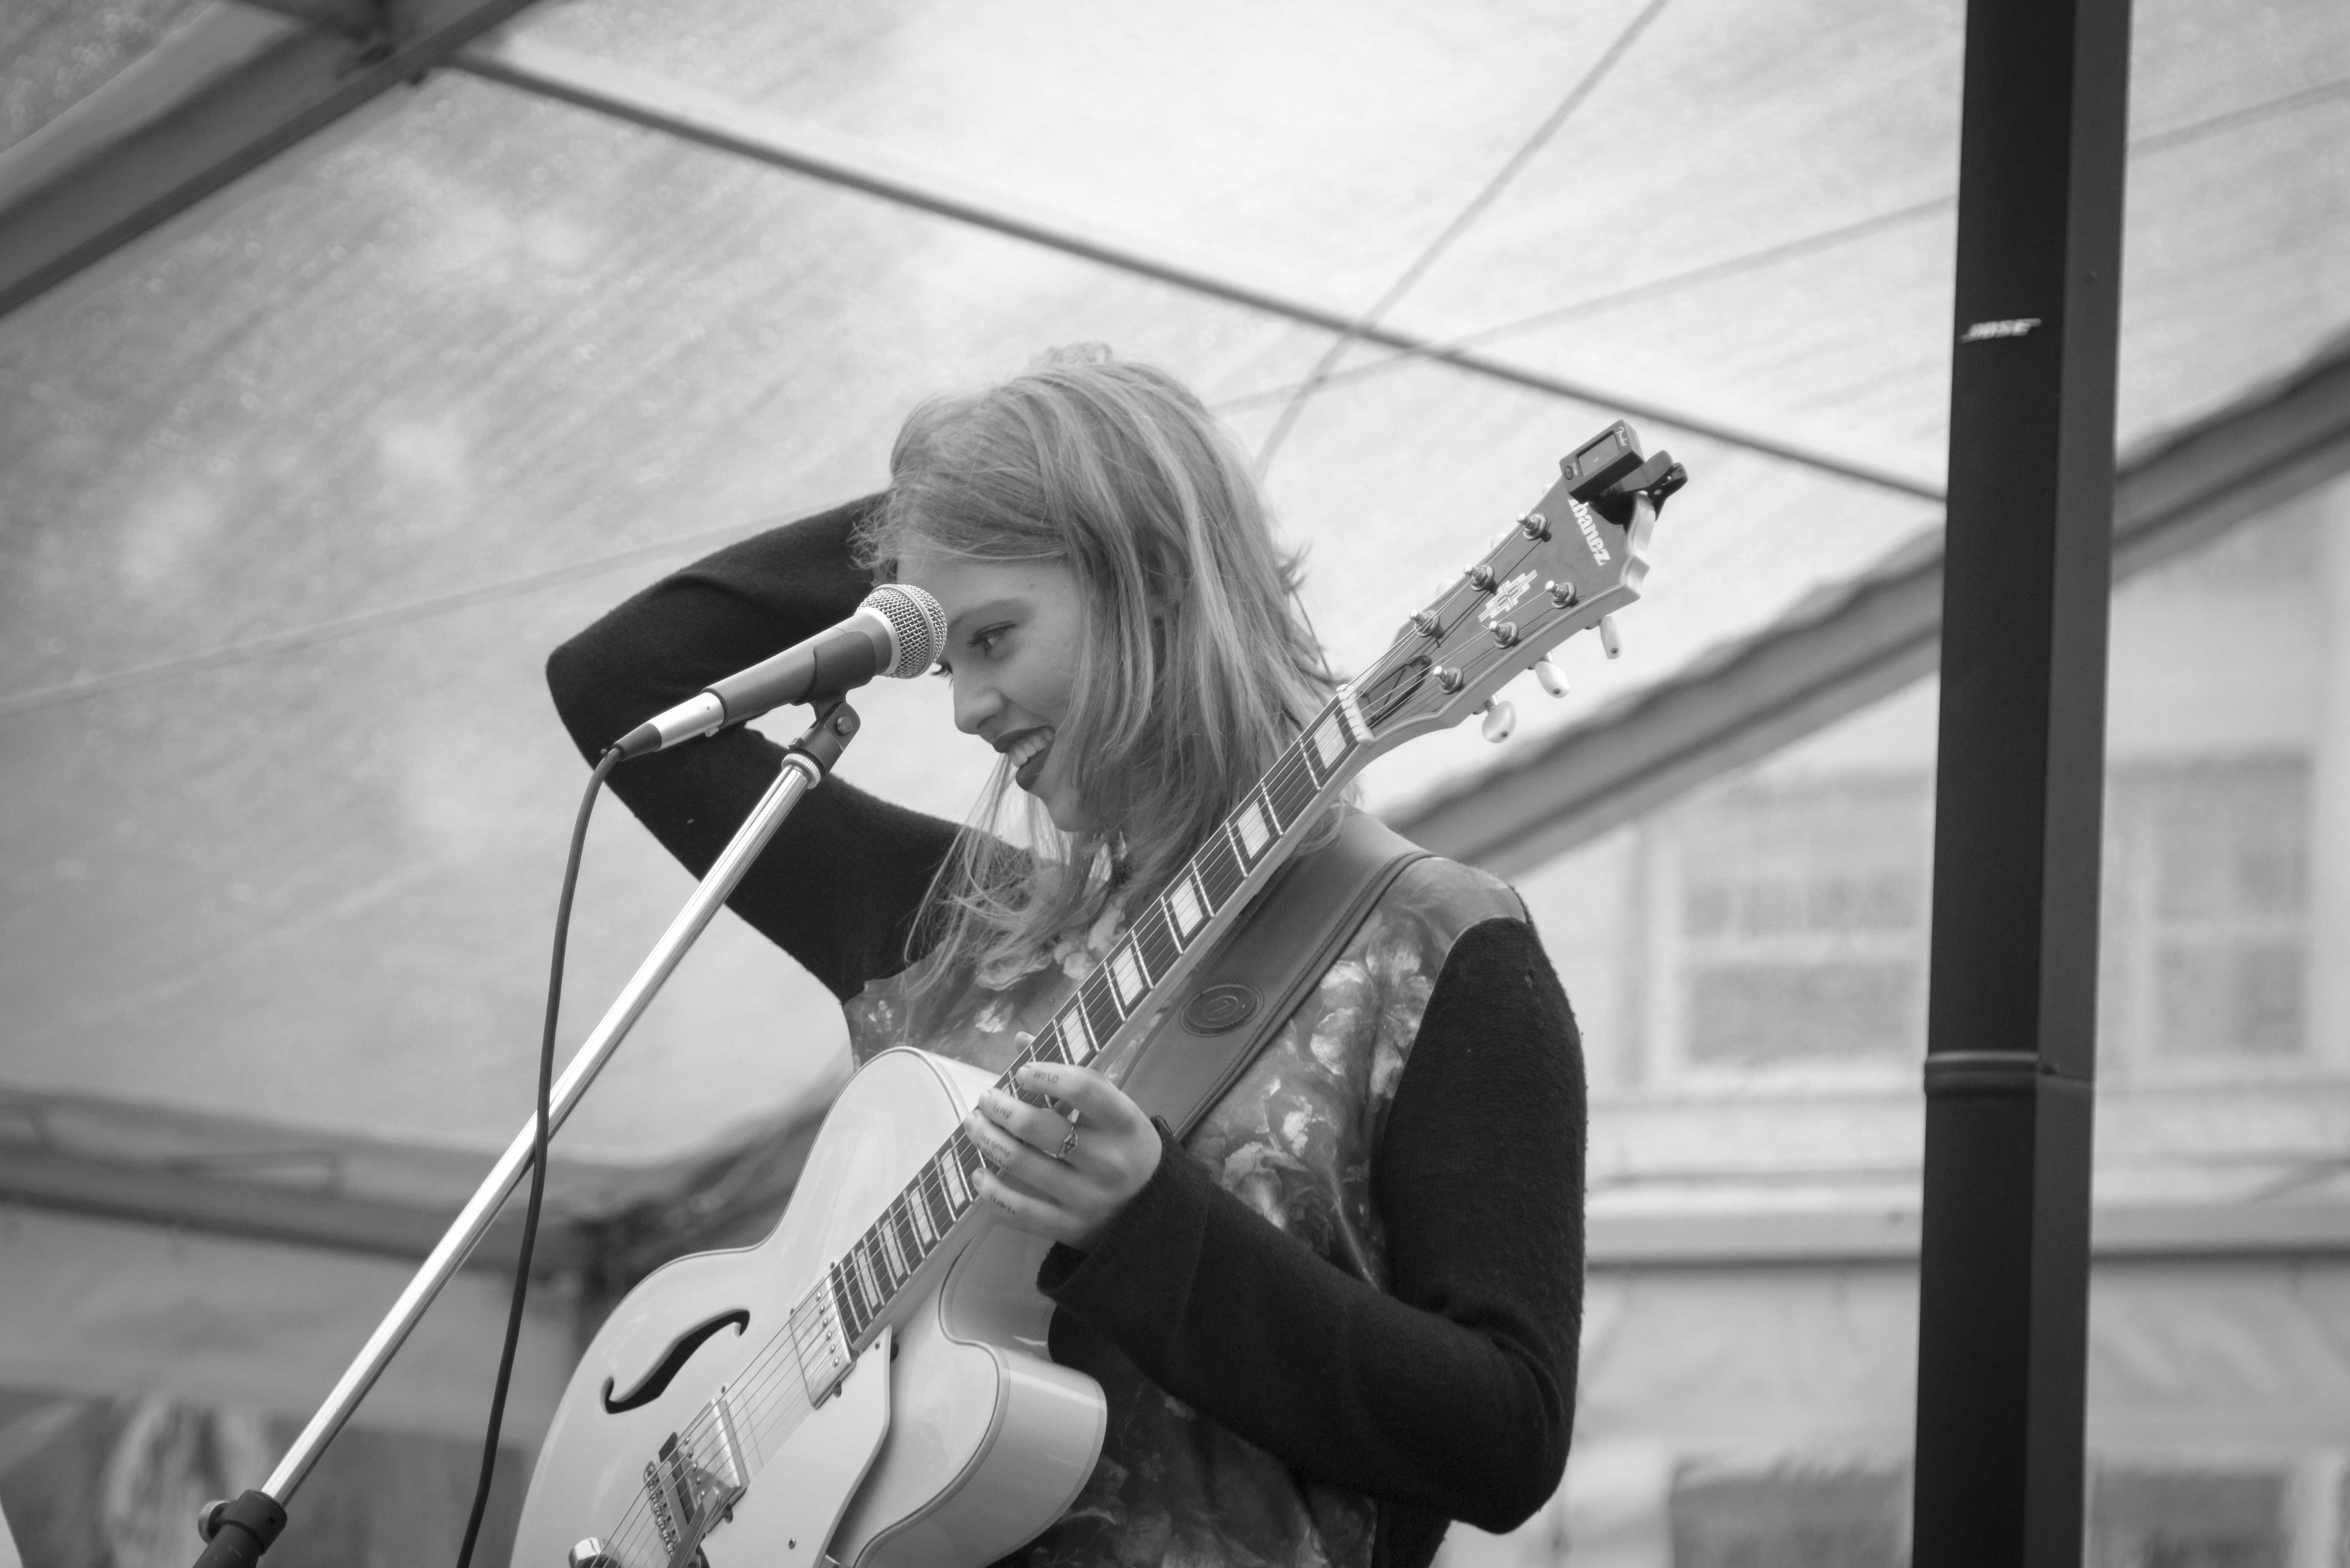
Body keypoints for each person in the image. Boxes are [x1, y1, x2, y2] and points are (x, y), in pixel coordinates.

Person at [547, 347, 1586, 1568]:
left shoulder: (1436, 951)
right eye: (948, 657)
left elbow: (1507, 1440)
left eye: (991, 638)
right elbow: (621, 685)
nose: (965, 709)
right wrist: (936, 526)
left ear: (1149, 580)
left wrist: (1152, 1227)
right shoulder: (947, 930)